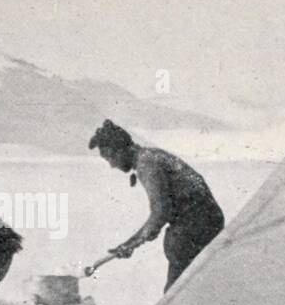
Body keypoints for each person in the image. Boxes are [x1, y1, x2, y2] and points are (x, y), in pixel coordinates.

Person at [89, 119, 224, 292]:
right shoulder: (150, 156)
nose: (112, 165)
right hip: (205, 220)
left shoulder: (147, 164)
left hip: (198, 224)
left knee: (176, 288)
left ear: (123, 149)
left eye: (111, 157)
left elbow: (160, 212)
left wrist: (131, 244)